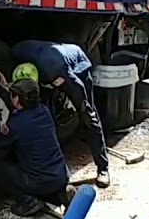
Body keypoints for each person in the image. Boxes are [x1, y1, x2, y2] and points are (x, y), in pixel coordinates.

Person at [11, 40, 110, 188]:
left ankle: (103, 168)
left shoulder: (54, 70)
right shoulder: (18, 51)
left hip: (76, 66)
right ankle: (51, 168)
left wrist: (83, 107)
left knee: (89, 117)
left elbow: (78, 89)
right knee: (47, 118)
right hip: (49, 62)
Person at [0, 74, 70, 217]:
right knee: (42, 170)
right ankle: (61, 195)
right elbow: (18, 108)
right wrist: (0, 91)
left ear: (18, 99)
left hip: (38, 181)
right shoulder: (44, 111)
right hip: (60, 175)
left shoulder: (16, 124)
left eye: (13, 95)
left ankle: (28, 201)